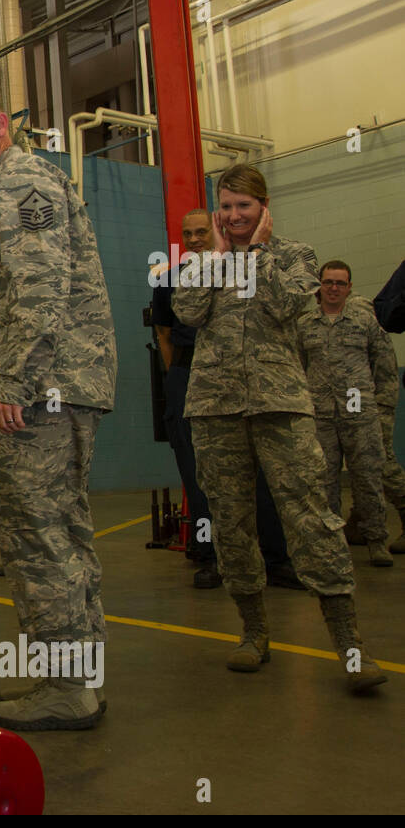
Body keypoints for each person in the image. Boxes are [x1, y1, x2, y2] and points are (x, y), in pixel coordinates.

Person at [0, 88, 116, 730]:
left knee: (37, 537)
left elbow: (40, 285)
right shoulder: (27, 180)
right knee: (65, 532)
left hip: (40, 388)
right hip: (62, 383)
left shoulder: (20, 183)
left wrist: (12, 380)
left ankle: (66, 685)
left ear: (2, 127)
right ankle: (84, 679)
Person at [173, 165, 386, 692]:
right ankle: (253, 633)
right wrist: (223, 257)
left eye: (244, 205)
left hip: (282, 406)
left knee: (313, 517)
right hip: (216, 408)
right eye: (225, 205)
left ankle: (351, 647)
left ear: (264, 208)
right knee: (230, 521)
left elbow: (290, 304)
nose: (233, 215)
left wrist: (259, 255)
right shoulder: (202, 261)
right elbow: (187, 311)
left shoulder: (294, 255)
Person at [151, 209, 303, 590]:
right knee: (202, 475)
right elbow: (164, 334)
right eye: (188, 234)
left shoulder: (245, 266)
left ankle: (275, 558)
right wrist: (178, 376)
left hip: (244, 375)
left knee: (263, 470)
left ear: (215, 230)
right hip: (189, 377)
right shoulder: (170, 278)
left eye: (202, 231)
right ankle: (213, 555)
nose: (195, 238)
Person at [298, 260, 399, 565]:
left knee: (367, 479)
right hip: (321, 417)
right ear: (319, 285)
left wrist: (383, 409)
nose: (333, 288)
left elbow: (385, 366)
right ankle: (331, 545)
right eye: (328, 282)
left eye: (340, 283)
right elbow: (299, 369)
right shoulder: (304, 324)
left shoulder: (366, 321)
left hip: (360, 413)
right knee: (323, 483)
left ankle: (376, 540)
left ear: (349, 287)